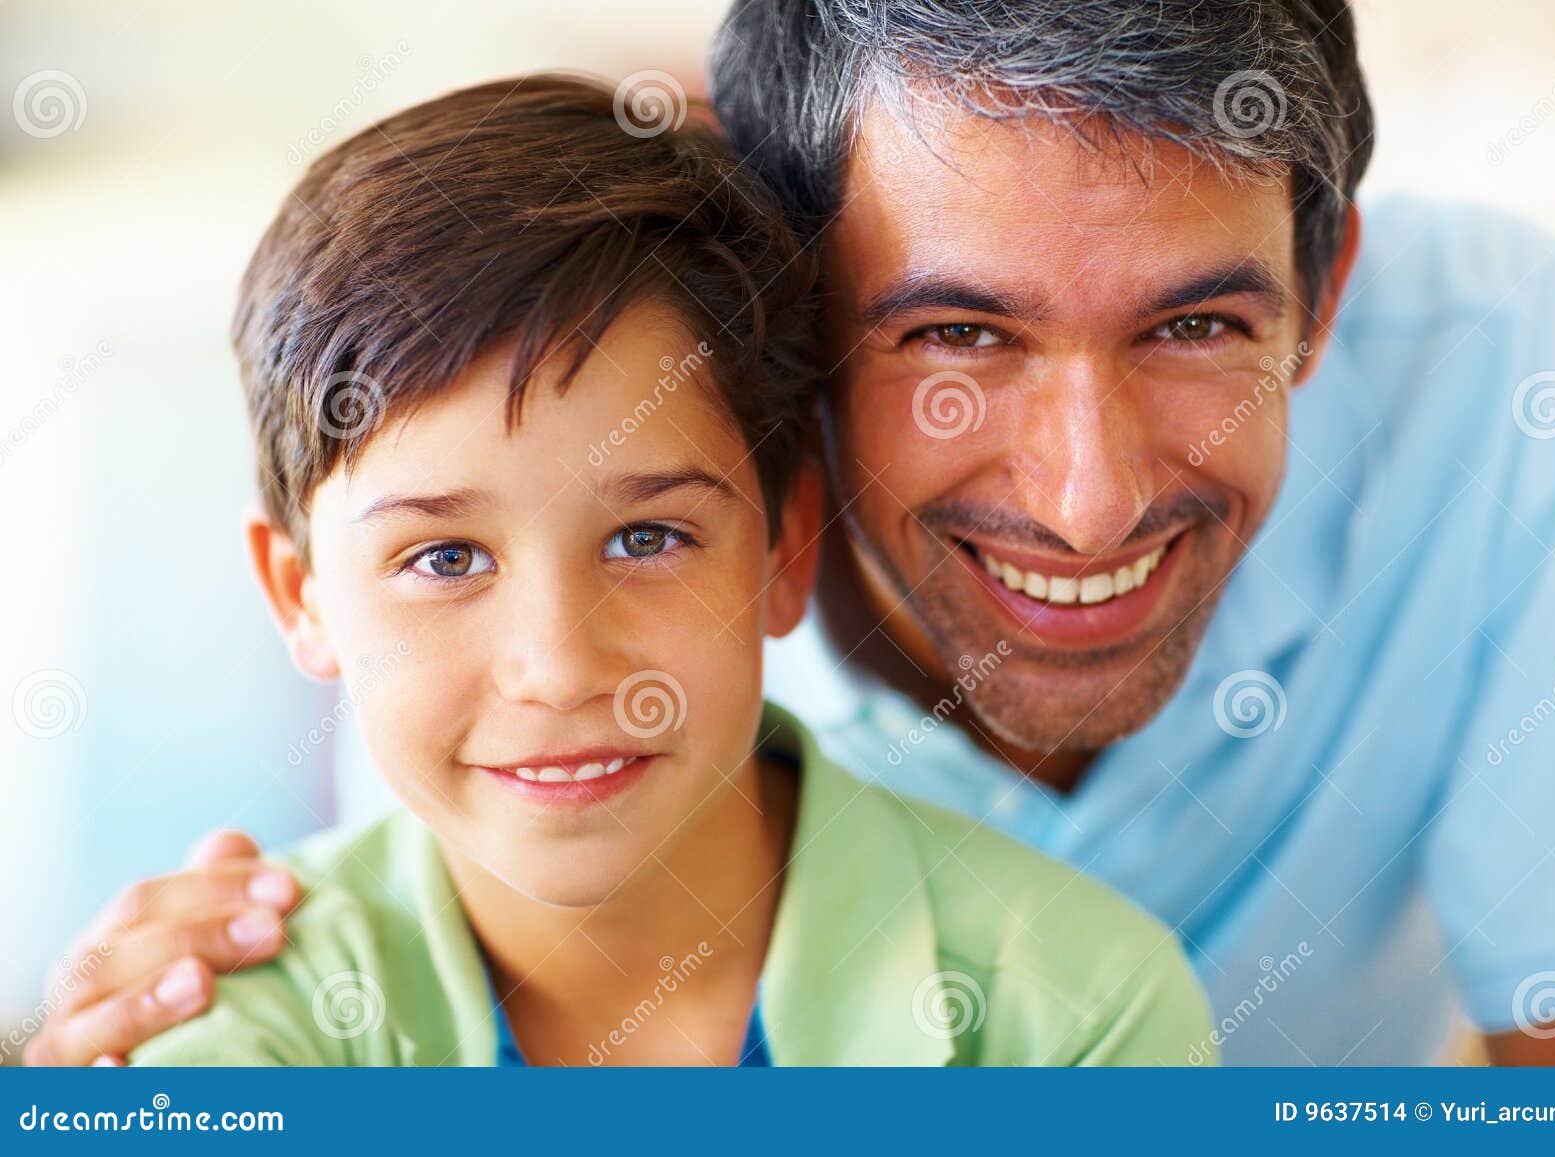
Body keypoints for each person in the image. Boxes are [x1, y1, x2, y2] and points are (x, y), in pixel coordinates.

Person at [30, 0, 1555, 1066]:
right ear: (789, 311)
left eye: (1193, 323)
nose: (1089, 497)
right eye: (957, 337)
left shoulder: (1507, 374)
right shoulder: (551, 707)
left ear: (1320, 300)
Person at [91, 74, 1209, 1067]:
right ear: (301, 594)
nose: (560, 667)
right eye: (443, 556)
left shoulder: (1076, 1018)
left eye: (647, 538)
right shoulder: (231, 1046)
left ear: (786, 547)